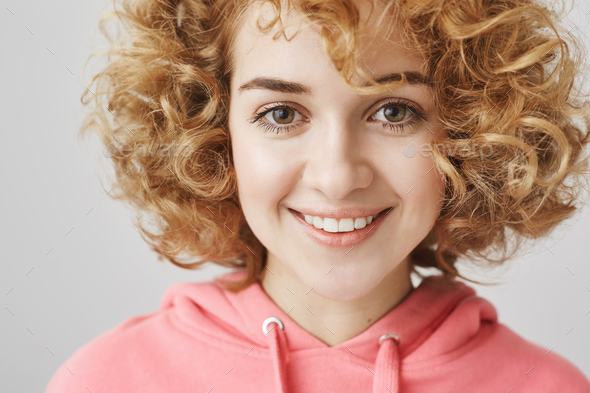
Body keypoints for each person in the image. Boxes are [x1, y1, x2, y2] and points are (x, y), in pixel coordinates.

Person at [46, 0, 590, 391]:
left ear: (468, 136)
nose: (336, 177)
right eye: (281, 114)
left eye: (393, 112)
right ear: (212, 135)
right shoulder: (106, 380)